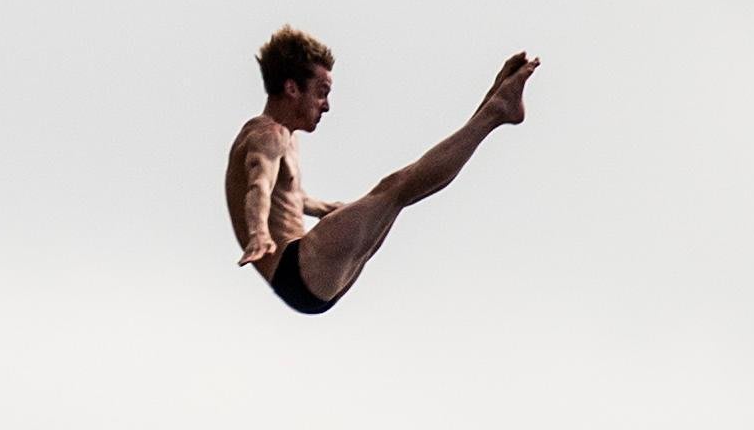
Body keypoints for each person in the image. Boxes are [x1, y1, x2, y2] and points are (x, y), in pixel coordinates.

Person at [224, 26, 536, 316]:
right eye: (321, 91)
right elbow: (259, 186)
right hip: (299, 267)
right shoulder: (269, 134)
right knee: (398, 187)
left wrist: (326, 209)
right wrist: (258, 233)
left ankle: (495, 101)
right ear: (292, 88)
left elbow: (289, 196)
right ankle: (495, 111)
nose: (326, 105)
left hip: (305, 282)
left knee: (400, 193)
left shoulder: (284, 138)